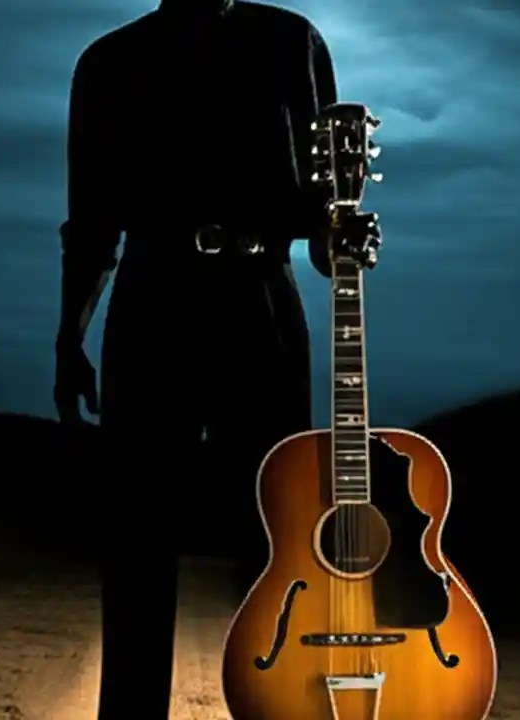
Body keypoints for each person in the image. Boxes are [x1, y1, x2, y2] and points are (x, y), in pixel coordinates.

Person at [54, 0, 379, 717]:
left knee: (278, 543)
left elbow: (325, 229)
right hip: (152, 305)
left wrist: (342, 241)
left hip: (261, 299)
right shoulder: (109, 64)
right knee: (137, 546)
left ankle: (273, 704)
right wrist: (69, 338)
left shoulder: (294, 43)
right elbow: (91, 225)